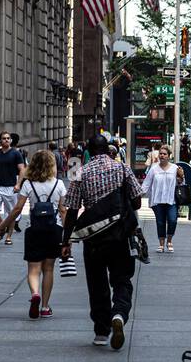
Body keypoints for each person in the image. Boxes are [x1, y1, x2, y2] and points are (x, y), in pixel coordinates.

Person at [61, 134, 143, 349]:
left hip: (94, 238)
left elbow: (71, 209)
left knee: (97, 283)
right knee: (122, 279)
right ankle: (119, 314)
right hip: (121, 236)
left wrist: (66, 241)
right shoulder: (122, 168)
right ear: (108, 150)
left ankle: (101, 330)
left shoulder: (81, 171)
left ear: (88, 150)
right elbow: (137, 201)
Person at [0, 149, 67, 318]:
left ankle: (35, 294)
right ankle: (44, 307)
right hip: (54, 229)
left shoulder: (28, 184)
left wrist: (2, 225)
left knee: (33, 269)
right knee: (48, 269)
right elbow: (63, 211)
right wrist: (67, 236)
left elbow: (17, 209)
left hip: (34, 229)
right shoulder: (59, 184)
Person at [142, 144, 183, 253]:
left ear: (169, 156)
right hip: (157, 200)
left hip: (171, 200)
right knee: (160, 222)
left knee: (172, 220)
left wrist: (181, 176)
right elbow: (146, 183)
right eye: (160, 153)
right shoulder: (154, 168)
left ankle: (169, 241)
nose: (162, 156)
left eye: (164, 154)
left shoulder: (175, 168)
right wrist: (139, 194)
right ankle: (161, 244)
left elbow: (181, 183)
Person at [0, 131, 25, 245]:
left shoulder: (16, 153)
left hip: (11, 187)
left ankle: (8, 236)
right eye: (4, 138)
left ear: (11, 140)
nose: (7, 140)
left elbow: (22, 169)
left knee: (11, 213)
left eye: (8, 138)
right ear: (0, 140)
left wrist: (18, 184)